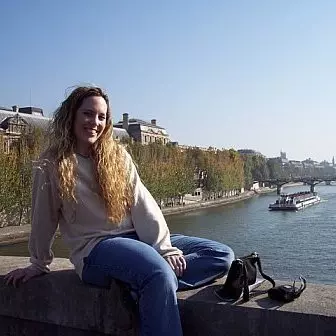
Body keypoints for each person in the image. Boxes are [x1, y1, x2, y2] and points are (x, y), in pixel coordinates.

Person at [4, 86, 234, 336]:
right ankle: (150, 283)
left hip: (137, 240)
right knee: (158, 273)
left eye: (102, 117)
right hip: (96, 249)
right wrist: (38, 263)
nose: (95, 122)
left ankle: (139, 287)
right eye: (88, 114)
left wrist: (164, 249)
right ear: (71, 115)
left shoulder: (117, 157)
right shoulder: (51, 164)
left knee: (221, 255)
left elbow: (142, 204)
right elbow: (43, 217)